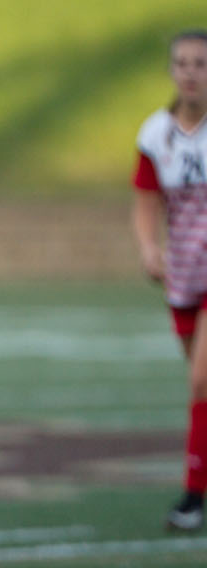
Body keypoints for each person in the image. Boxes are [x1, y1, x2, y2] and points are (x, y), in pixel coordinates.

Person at [133, 29, 207, 531]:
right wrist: (148, 247)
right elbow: (145, 199)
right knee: (203, 387)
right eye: (181, 63)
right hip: (183, 273)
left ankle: (192, 498)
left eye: (200, 63)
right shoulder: (156, 133)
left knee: (202, 381)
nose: (190, 72)